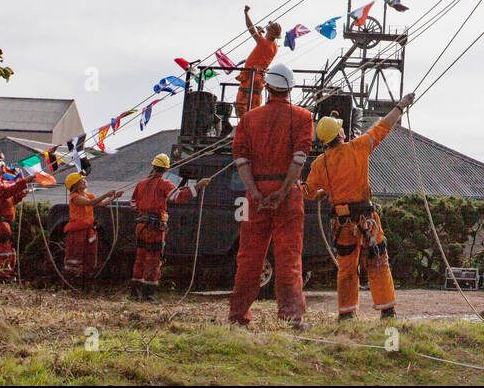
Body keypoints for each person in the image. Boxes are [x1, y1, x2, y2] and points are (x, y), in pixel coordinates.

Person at [304, 93, 414, 321]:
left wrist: (326, 192)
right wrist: (401, 105)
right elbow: (383, 127)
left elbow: (309, 193)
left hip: (341, 222)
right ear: (340, 134)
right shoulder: (358, 147)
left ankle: (346, 313)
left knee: (346, 267)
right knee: (377, 260)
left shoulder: (319, 164)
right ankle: (387, 310)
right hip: (365, 216)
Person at [228, 61, 311, 327]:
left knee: (249, 257)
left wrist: (256, 193)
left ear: (267, 87)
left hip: (255, 193)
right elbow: (299, 158)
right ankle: (290, 316)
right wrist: (283, 191)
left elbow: (241, 159)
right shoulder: (302, 117)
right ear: (289, 89)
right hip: (288, 195)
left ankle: (238, 316)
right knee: (288, 256)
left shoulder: (248, 119)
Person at [129, 154, 210, 300]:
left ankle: (135, 293)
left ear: (153, 166)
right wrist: (198, 186)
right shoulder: (165, 184)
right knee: (153, 260)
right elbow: (179, 197)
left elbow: (133, 203)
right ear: (166, 168)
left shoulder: (141, 183)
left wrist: (144, 208)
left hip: (141, 226)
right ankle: (148, 295)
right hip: (155, 228)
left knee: (140, 258)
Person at [63, 173, 122, 290]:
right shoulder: (75, 197)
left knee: (90, 255)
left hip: (89, 231)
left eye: (84, 180)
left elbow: (101, 204)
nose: (84, 181)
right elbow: (91, 203)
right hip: (77, 232)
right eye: (81, 180)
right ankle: (70, 283)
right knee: (75, 255)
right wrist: (106, 194)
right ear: (75, 185)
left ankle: (86, 285)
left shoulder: (89, 196)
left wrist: (113, 197)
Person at [235, 6, 281, 118]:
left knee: (242, 105)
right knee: (255, 106)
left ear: (269, 34)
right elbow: (264, 47)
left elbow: (250, 28)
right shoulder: (274, 47)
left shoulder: (263, 43)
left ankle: (245, 125)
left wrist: (246, 13)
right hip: (259, 79)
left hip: (250, 77)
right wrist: (261, 33)